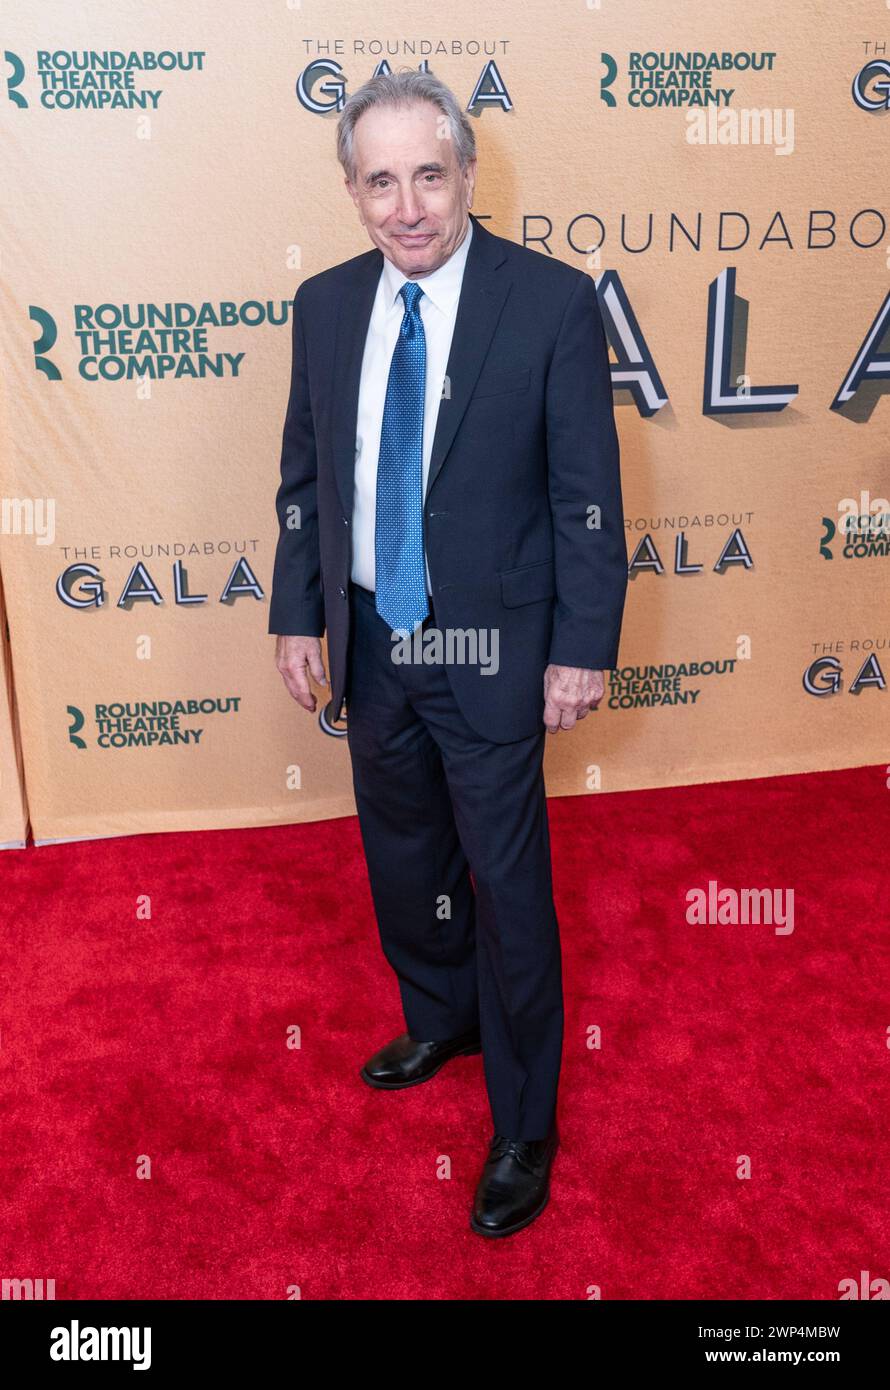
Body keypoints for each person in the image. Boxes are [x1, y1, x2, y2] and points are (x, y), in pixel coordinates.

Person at [270, 69, 627, 1237]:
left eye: (428, 173)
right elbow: (306, 482)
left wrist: (579, 645)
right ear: (350, 191)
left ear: (468, 172)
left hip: (494, 648)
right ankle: (442, 1010)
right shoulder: (323, 307)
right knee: (402, 845)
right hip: (372, 635)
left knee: (507, 881)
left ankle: (524, 1117)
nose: (407, 204)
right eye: (379, 181)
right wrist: (294, 611)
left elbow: (585, 496)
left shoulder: (551, 304)